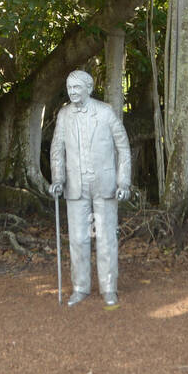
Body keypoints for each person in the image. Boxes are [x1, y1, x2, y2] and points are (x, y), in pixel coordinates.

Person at [49, 69, 131, 306]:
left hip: (104, 184)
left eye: (77, 88)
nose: (72, 92)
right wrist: (58, 179)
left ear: (89, 88)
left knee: (105, 238)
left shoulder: (105, 112)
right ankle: (80, 287)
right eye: (69, 88)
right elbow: (57, 150)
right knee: (78, 239)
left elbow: (123, 148)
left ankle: (108, 288)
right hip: (75, 186)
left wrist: (123, 181)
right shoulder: (63, 115)